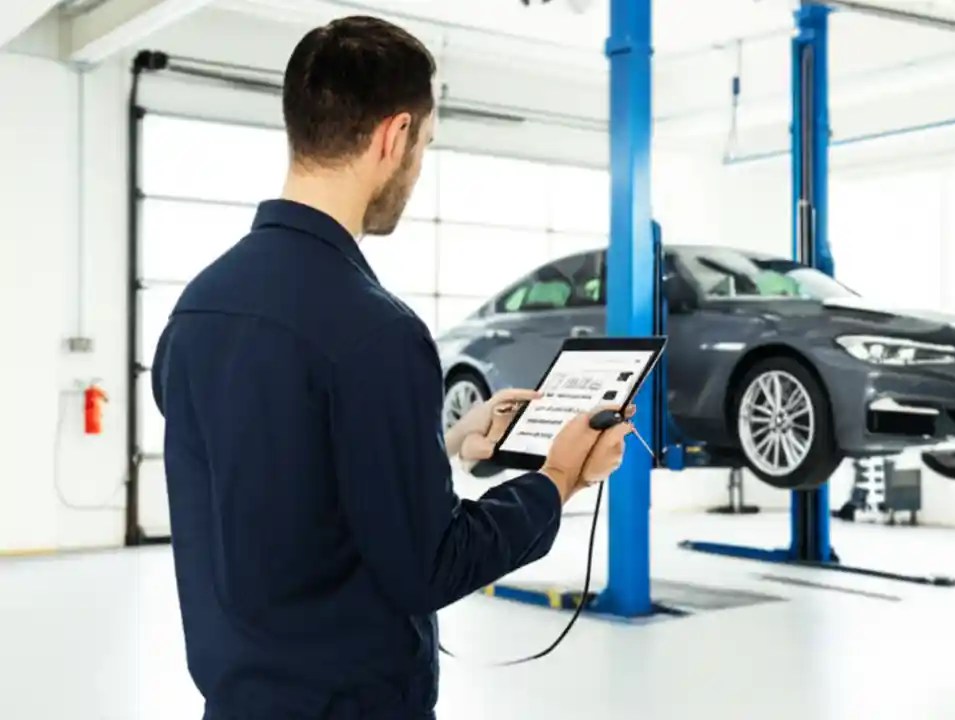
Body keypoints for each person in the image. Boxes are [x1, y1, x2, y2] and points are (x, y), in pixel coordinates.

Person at [150, 15, 630, 720]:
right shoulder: (377, 330)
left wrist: (448, 441)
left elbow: (286, 483)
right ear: (394, 135)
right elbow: (430, 565)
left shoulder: (198, 309)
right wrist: (560, 477)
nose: (417, 167)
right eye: (425, 145)